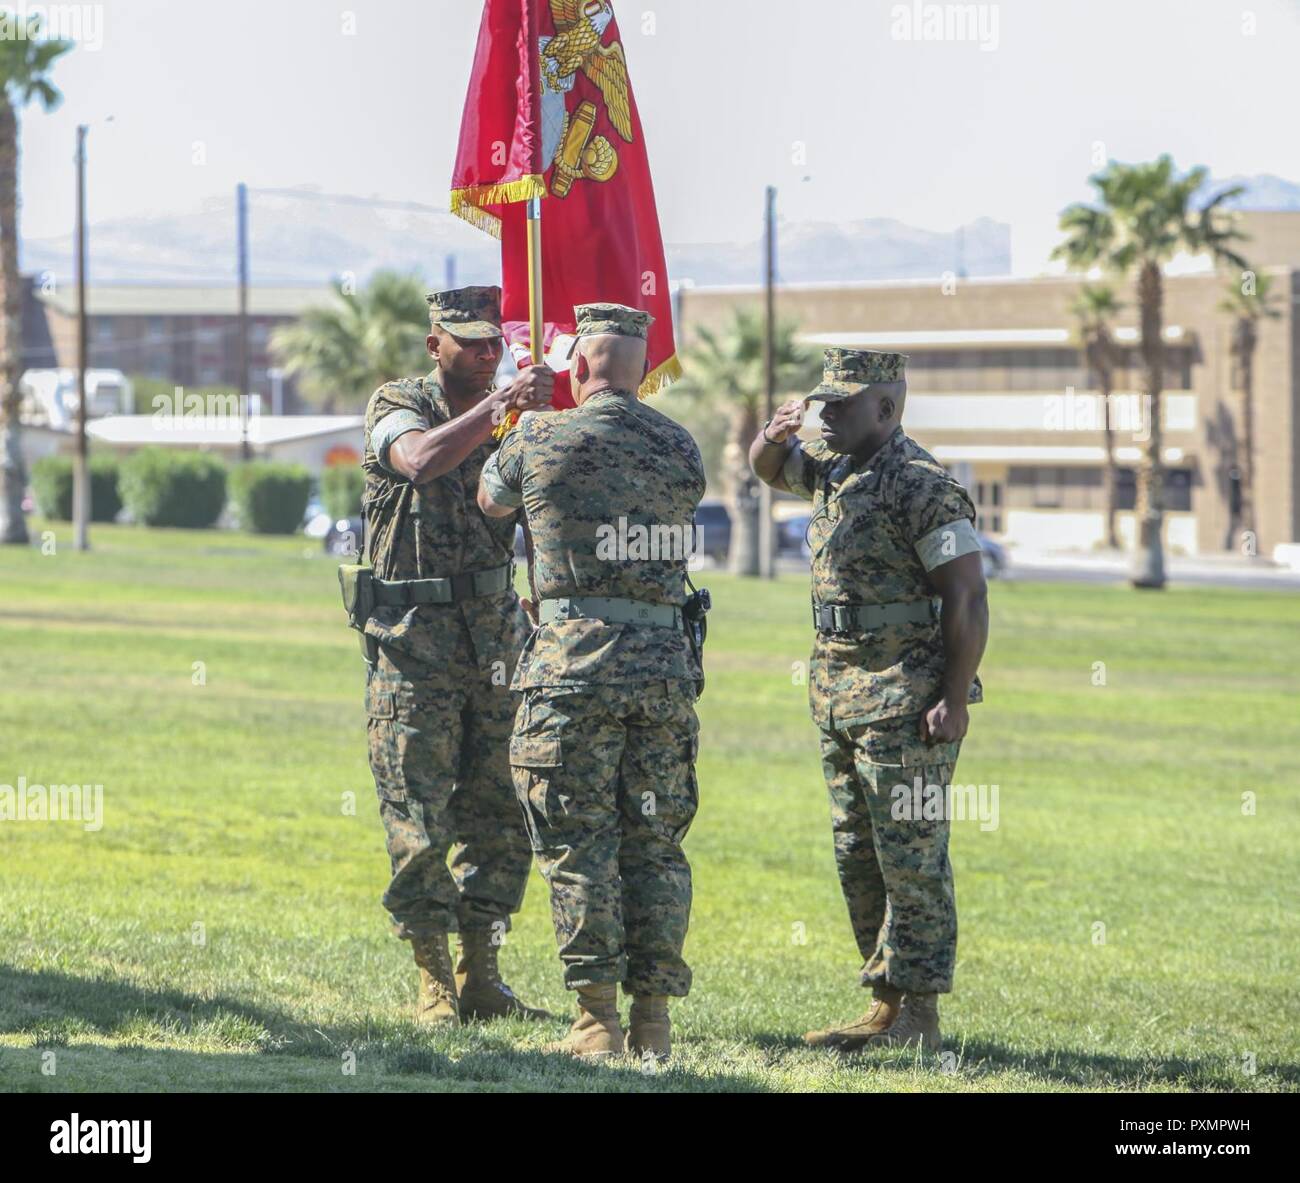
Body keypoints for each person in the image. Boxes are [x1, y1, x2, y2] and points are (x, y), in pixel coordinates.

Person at [477, 302, 706, 1061]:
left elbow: (491, 498)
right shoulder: (682, 448)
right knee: (655, 845)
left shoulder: (542, 436)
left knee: (579, 844)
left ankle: (596, 1019)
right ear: (643, 371)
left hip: (572, 668)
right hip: (664, 672)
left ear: (577, 367)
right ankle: (654, 1022)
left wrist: (529, 412)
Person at [749, 347, 989, 1052]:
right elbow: (767, 470)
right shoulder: (834, 470)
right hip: (841, 696)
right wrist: (774, 431)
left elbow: (968, 595)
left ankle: (921, 1017)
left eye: (841, 403)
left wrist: (953, 697)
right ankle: (885, 1004)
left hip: (906, 700)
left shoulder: (923, 485)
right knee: (858, 852)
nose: (826, 413)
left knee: (911, 857)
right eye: (821, 401)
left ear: (885, 408)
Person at [360, 284, 554, 1026]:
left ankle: (483, 972)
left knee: (502, 814)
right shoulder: (397, 404)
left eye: (493, 341)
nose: (484, 352)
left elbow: (535, 508)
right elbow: (419, 461)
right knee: (417, 813)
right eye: (467, 340)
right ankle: (433, 976)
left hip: (497, 640)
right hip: (414, 645)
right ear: (433, 342)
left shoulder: (515, 419)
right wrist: (502, 407)